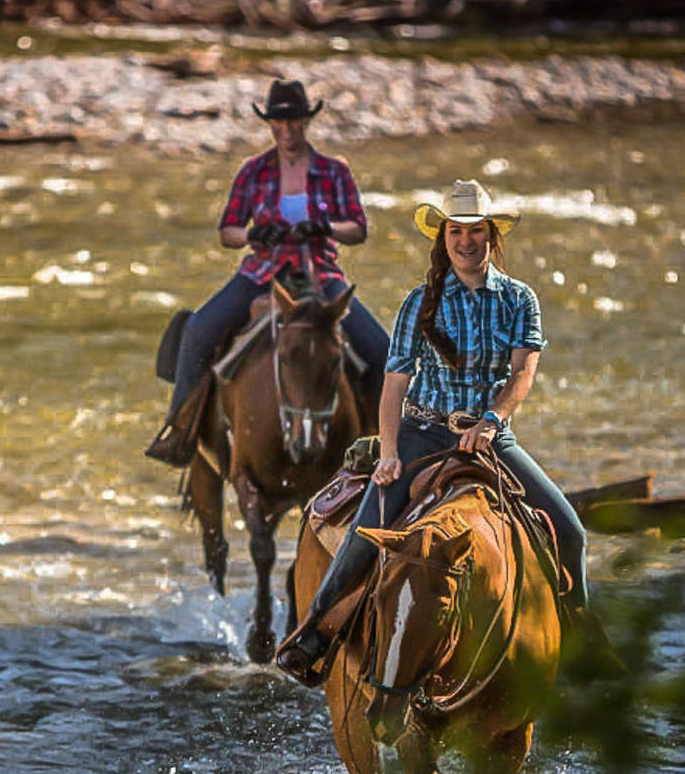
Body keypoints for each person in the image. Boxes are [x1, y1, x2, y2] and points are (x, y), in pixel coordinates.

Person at [274, 179, 599, 681]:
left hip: (490, 436)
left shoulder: (519, 299)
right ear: (442, 238)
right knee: (366, 530)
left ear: (492, 235)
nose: (466, 241)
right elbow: (394, 386)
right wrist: (388, 452)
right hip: (422, 433)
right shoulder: (417, 302)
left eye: (475, 231)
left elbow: (522, 375)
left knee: (569, 530)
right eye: (455, 232)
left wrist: (492, 422)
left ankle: (577, 640)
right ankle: (314, 630)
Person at [146, 78, 389, 466]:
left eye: (295, 122)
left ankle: (383, 443)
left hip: (320, 274)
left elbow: (358, 228)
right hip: (262, 272)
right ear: (271, 125)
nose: (289, 131)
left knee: (380, 349)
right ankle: (180, 430)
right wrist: (254, 233)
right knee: (197, 329)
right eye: (281, 123)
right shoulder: (254, 171)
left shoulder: (333, 170)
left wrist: (324, 228)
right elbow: (228, 232)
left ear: (306, 123)